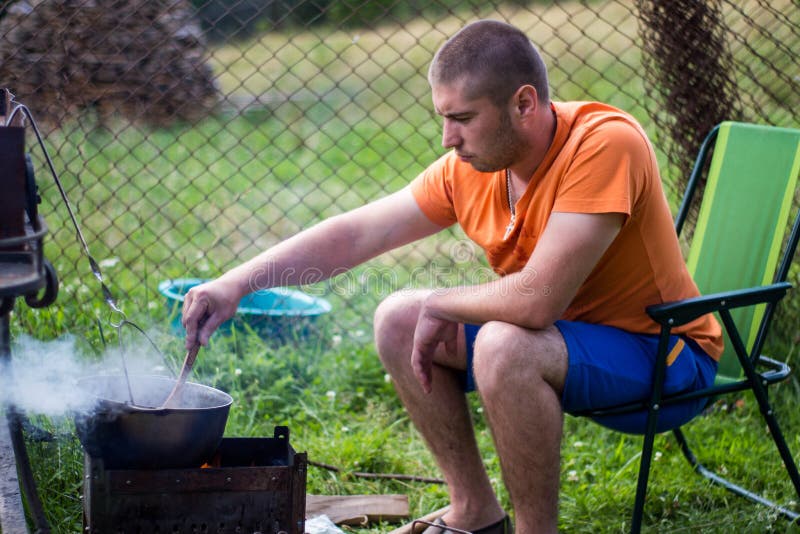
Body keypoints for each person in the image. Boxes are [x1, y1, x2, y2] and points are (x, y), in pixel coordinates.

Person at [181, 19, 723, 534]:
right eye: (443, 117)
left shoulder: (604, 144)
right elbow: (356, 234)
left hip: (664, 355)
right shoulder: (473, 167)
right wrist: (236, 283)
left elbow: (535, 303)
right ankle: (473, 510)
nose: (447, 138)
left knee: (504, 346)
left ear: (524, 104)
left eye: (462, 119)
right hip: (569, 344)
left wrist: (443, 301)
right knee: (398, 317)